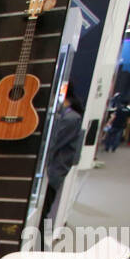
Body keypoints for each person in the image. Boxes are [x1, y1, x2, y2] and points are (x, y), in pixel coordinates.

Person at [40, 88, 82, 226]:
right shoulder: (64, 116)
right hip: (50, 171)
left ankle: (39, 246)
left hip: (52, 173)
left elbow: (54, 143)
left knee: (41, 215)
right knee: (41, 214)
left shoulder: (71, 118)